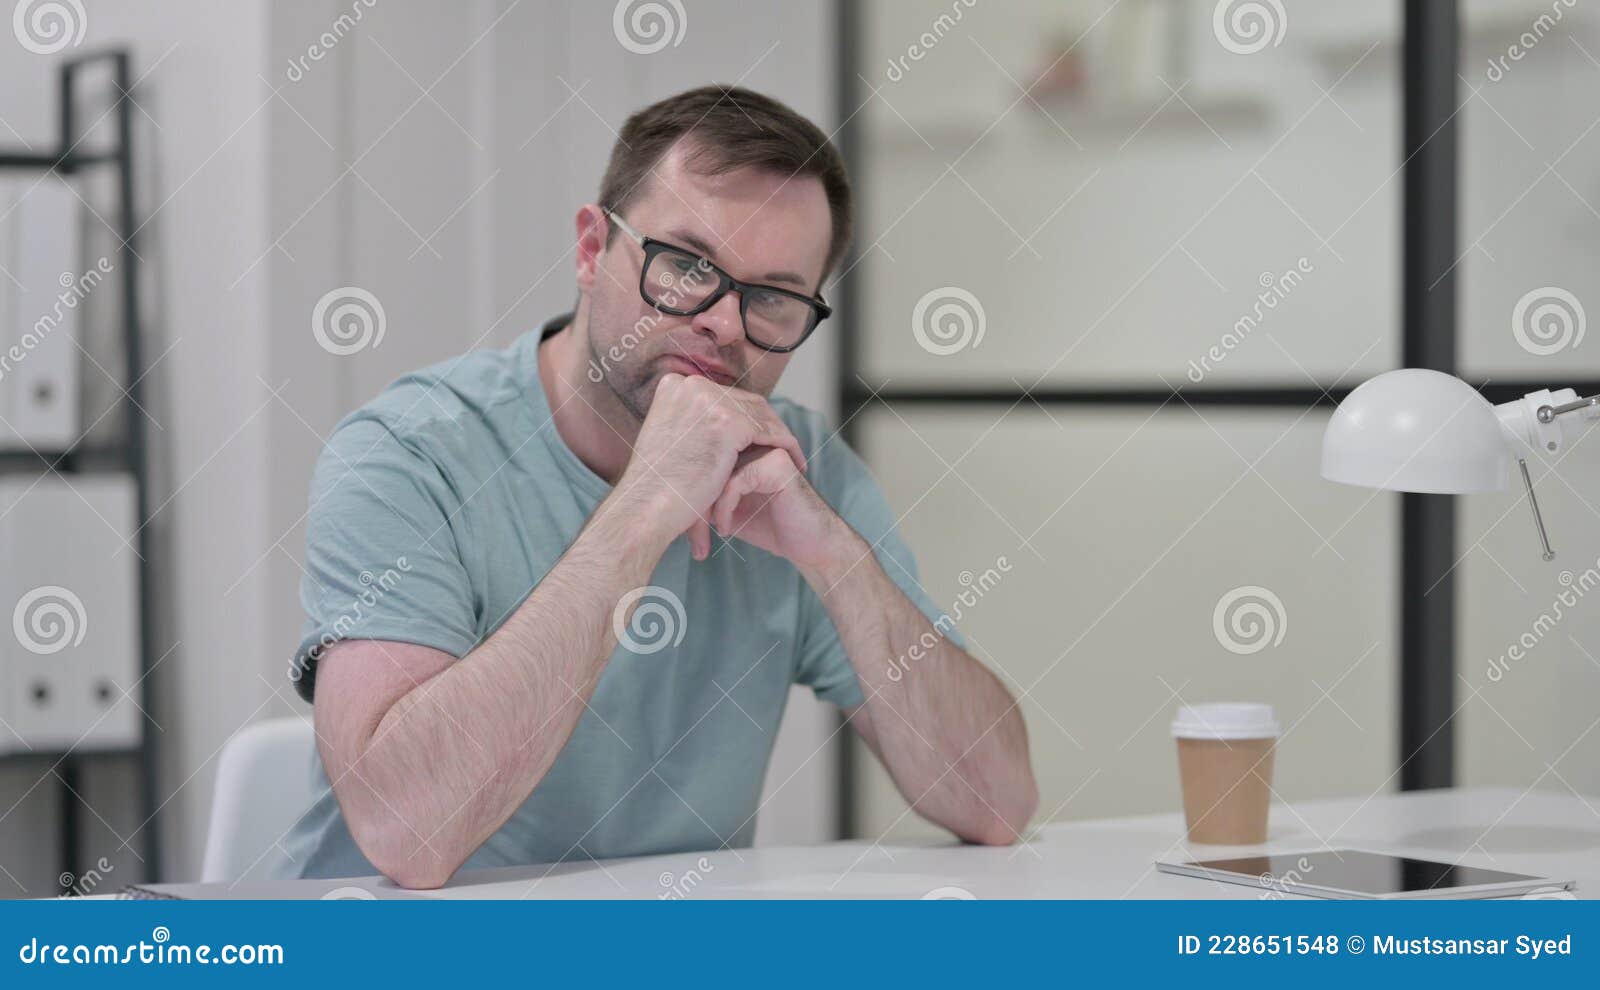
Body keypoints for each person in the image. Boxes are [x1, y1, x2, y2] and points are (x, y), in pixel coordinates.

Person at [280, 84, 1037, 888]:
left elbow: (996, 805)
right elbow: (404, 833)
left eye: (773, 298)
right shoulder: (409, 454)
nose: (721, 322)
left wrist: (837, 561)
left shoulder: (799, 466)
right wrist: (644, 505)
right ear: (591, 250)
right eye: (686, 266)